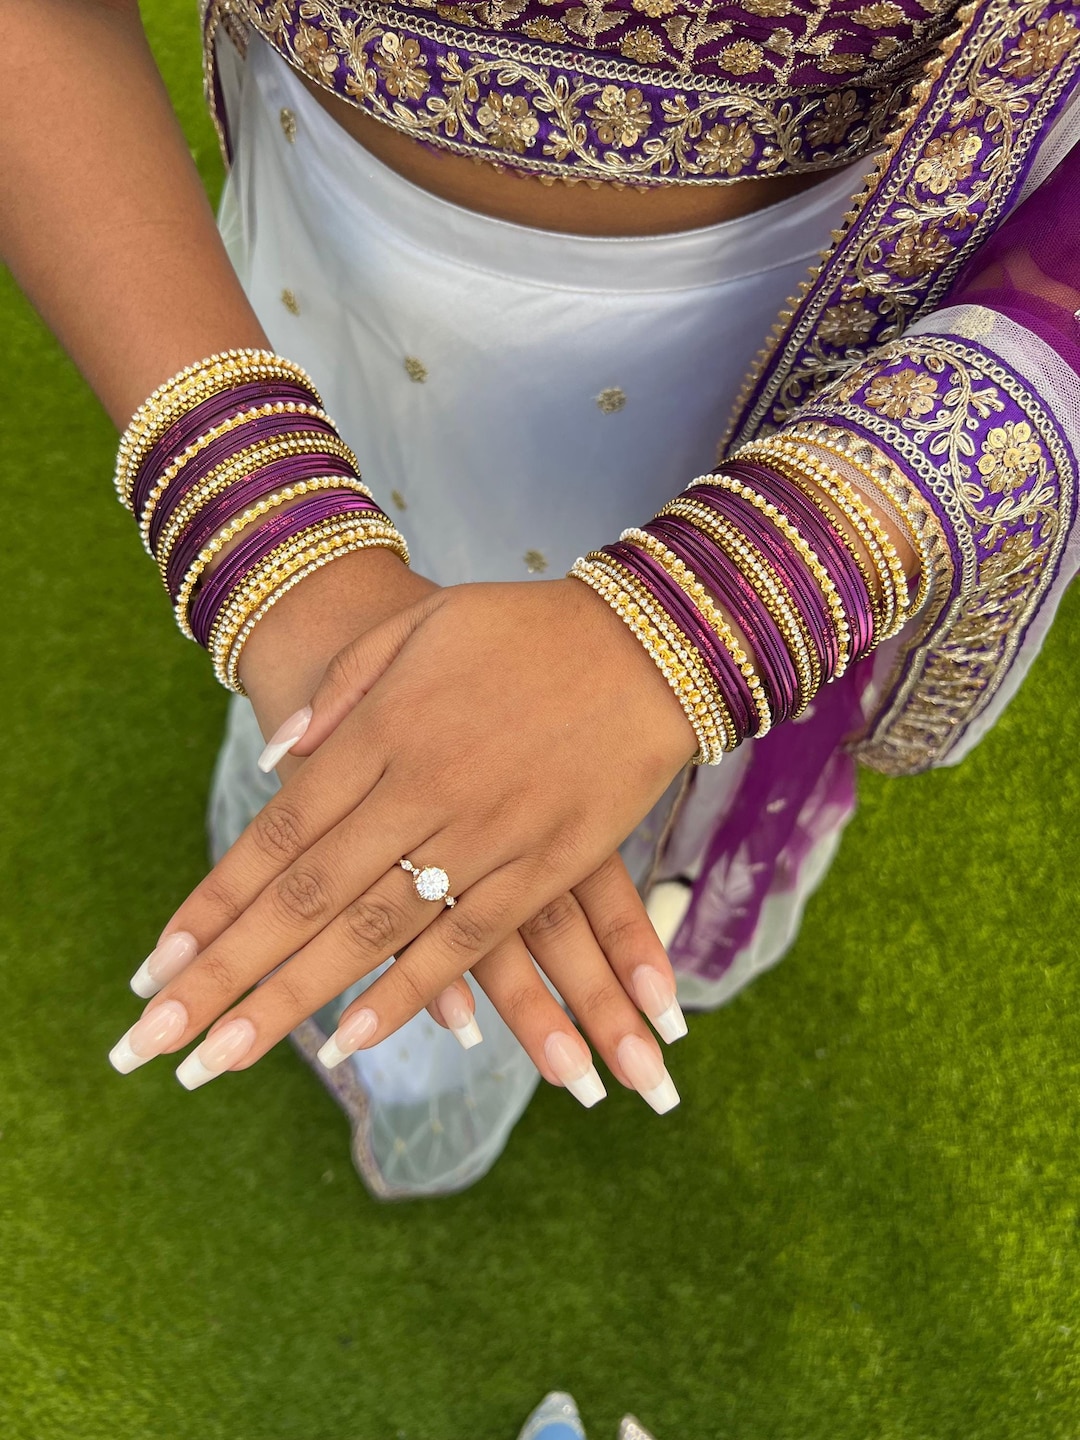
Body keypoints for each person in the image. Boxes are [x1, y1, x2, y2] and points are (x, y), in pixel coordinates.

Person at [4, 0, 1079, 1199]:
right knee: (382, 735)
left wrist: (706, 613)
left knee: (567, 761)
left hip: (765, 319)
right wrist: (272, 535)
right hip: (321, 232)